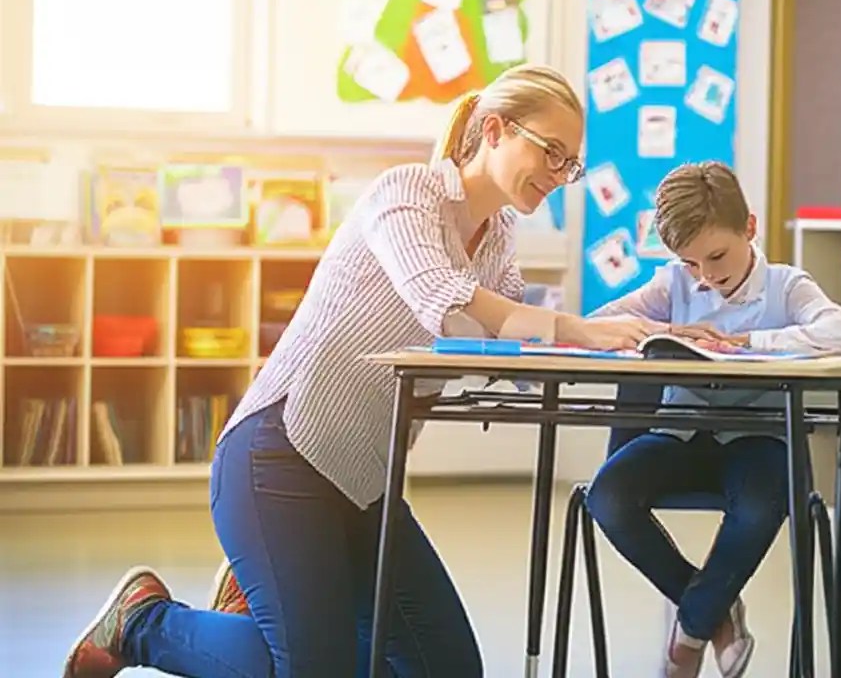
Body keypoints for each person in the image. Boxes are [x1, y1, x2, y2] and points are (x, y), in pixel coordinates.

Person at [62, 64, 661, 678]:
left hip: (364, 484)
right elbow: (441, 295)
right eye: (551, 154)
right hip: (280, 455)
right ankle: (142, 622)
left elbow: (513, 351)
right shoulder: (407, 193)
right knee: (316, 671)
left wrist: (649, 322)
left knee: (449, 670)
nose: (560, 177)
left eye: (570, 164)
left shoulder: (499, 237)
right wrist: (576, 329)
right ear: (495, 130)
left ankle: (262, 613)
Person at [583, 161, 841, 678]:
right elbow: (592, 327)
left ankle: (691, 627)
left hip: (758, 441)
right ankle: (716, 613)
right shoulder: (672, 284)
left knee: (763, 506)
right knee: (607, 496)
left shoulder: (787, 286)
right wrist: (668, 326)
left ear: (750, 229)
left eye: (716, 256)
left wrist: (748, 342)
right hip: (678, 435)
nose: (706, 276)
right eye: (690, 263)